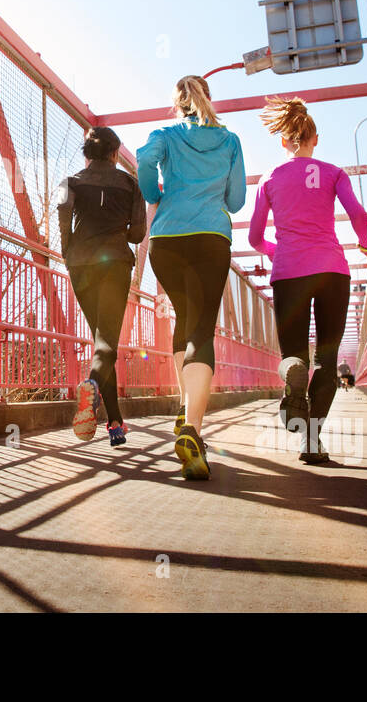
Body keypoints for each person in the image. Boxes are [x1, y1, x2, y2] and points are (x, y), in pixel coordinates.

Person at [248, 97, 367, 464]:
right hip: (332, 270)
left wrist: (275, 250)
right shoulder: (334, 173)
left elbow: (255, 238)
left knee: (293, 355)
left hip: (289, 272)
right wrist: (365, 247)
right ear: (314, 139)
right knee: (328, 358)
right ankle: (312, 441)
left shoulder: (270, 179)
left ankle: (292, 374)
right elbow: (358, 216)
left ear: (283, 142)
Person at [136, 75, 245, 479]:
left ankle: (185, 410)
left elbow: (144, 161)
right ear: (207, 99)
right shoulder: (230, 141)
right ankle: (193, 431)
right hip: (209, 237)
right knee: (201, 329)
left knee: (183, 320)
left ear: (177, 103)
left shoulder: (164, 134)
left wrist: (155, 194)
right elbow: (236, 200)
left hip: (166, 240)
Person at [56, 126, 147, 447]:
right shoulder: (130, 184)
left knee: (101, 343)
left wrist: (69, 256)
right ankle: (92, 387)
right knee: (106, 343)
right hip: (115, 265)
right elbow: (137, 235)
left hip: (80, 265)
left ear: (87, 153)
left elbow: (63, 223)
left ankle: (115, 422)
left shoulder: (70, 183)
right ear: (113, 153)